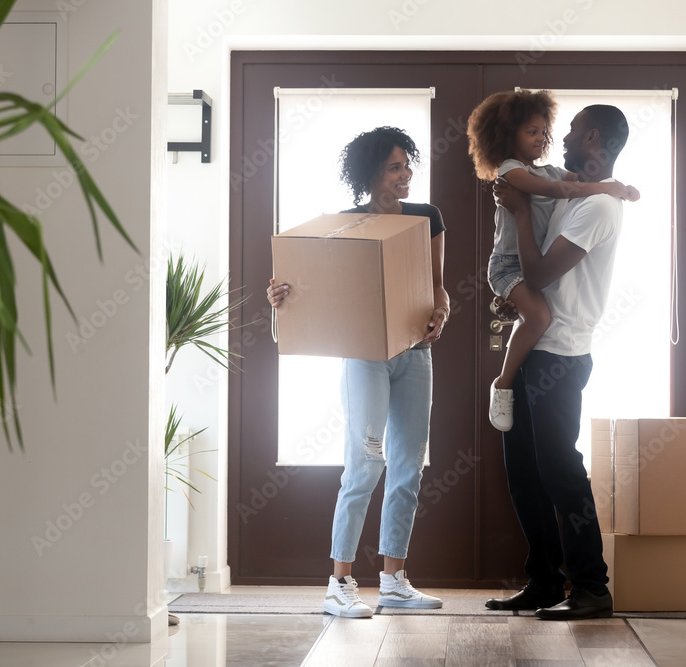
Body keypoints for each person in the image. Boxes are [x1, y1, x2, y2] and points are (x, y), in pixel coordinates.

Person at [267, 126, 449, 618]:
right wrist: (282, 296)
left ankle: (393, 580)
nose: (405, 174)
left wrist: (441, 312)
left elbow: (437, 287)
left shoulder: (426, 217)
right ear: (371, 173)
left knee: (408, 466)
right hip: (364, 356)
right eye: (395, 167)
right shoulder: (345, 224)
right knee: (366, 463)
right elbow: (315, 289)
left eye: (407, 164)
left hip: (415, 354)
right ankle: (339, 582)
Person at [484, 105, 632, 620]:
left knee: (561, 472)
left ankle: (592, 588)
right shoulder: (576, 195)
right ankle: (545, 582)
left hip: (561, 357)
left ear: (592, 136)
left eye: (569, 130)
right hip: (541, 351)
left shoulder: (598, 208)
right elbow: (535, 270)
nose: (558, 137)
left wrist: (522, 214)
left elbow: (542, 274)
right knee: (524, 473)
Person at [467, 90, 638, 432]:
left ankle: (503, 384)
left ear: (591, 136)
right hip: (506, 267)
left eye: (544, 131)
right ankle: (503, 384)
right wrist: (609, 188)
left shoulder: (561, 181)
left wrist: (618, 187)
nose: (547, 137)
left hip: (561, 351)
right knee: (538, 316)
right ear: (508, 136)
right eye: (533, 131)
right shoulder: (512, 171)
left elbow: (575, 184)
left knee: (552, 466)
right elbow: (565, 190)